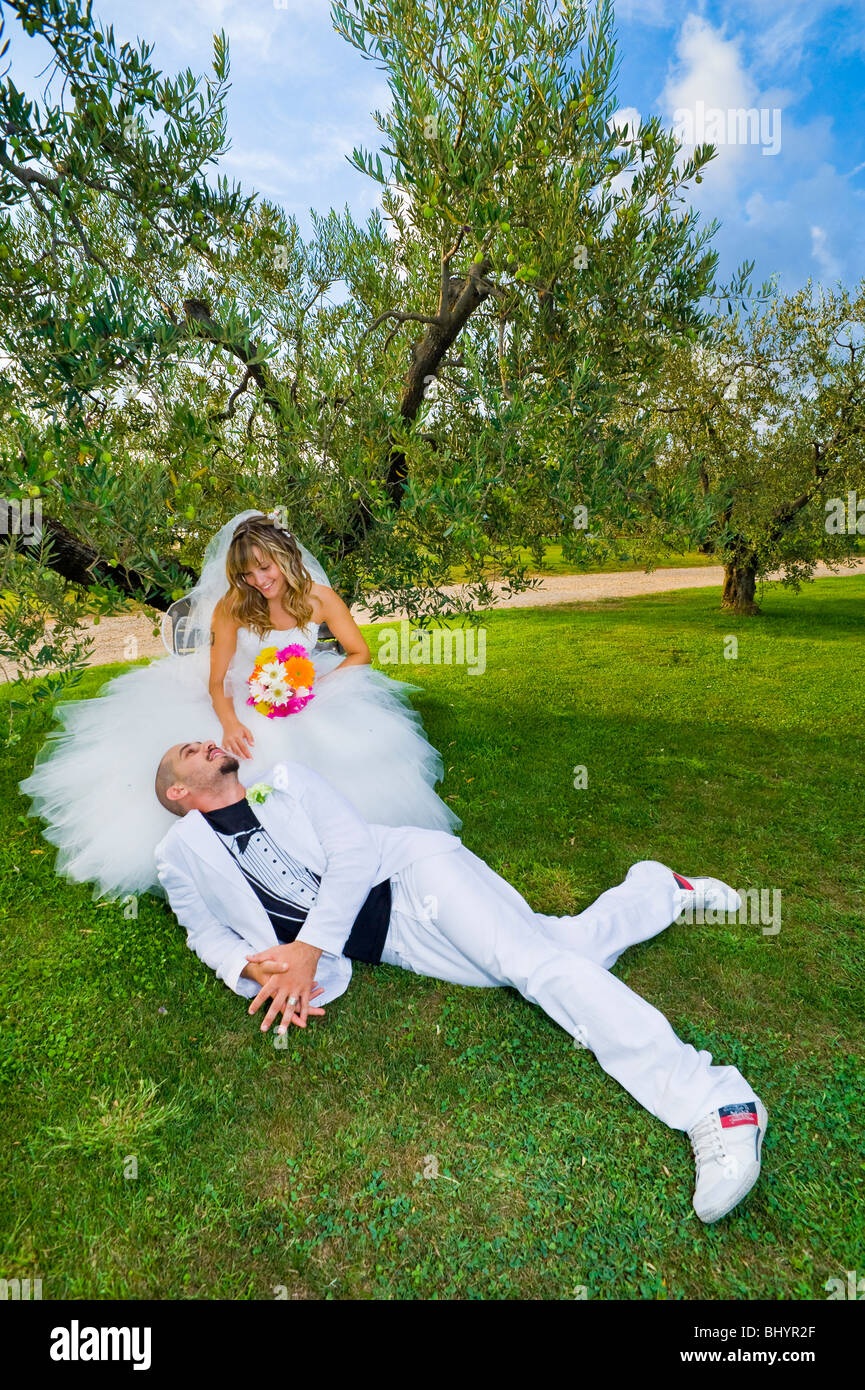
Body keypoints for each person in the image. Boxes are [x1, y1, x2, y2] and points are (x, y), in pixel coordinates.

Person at [154, 740, 769, 1225]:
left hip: (416, 879)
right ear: (179, 791)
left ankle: (715, 1101)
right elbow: (204, 933)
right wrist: (250, 967)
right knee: (565, 949)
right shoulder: (177, 855)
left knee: (532, 967)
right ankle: (660, 888)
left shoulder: (288, 781)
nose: (204, 742)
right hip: (392, 946)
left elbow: (353, 855)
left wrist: (307, 951)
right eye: (186, 750)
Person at [19, 509, 459, 901]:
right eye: (247, 574)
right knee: (247, 752)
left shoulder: (319, 599)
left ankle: (326, 850)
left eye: (264, 568)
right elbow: (216, 680)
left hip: (309, 694)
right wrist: (228, 724)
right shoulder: (233, 606)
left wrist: (313, 688)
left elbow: (359, 653)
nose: (258, 580)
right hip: (243, 698)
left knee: (332, 749)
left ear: (285, 556)